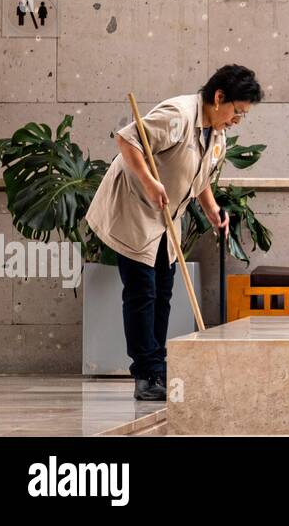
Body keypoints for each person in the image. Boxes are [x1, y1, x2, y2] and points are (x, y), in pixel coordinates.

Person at [85, 64, 263, 401]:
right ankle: (145, 374)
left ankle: (158, 367)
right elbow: (127, 140)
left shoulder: (217, 133)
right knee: (142, 291)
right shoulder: (178, 115)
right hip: (134, 207)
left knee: (163, 291)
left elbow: (200, 176)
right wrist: (149, 182)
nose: (238, 120)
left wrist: (211, 208)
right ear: (219, 97)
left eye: (243, 115)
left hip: (167, 216)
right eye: (237, 111)